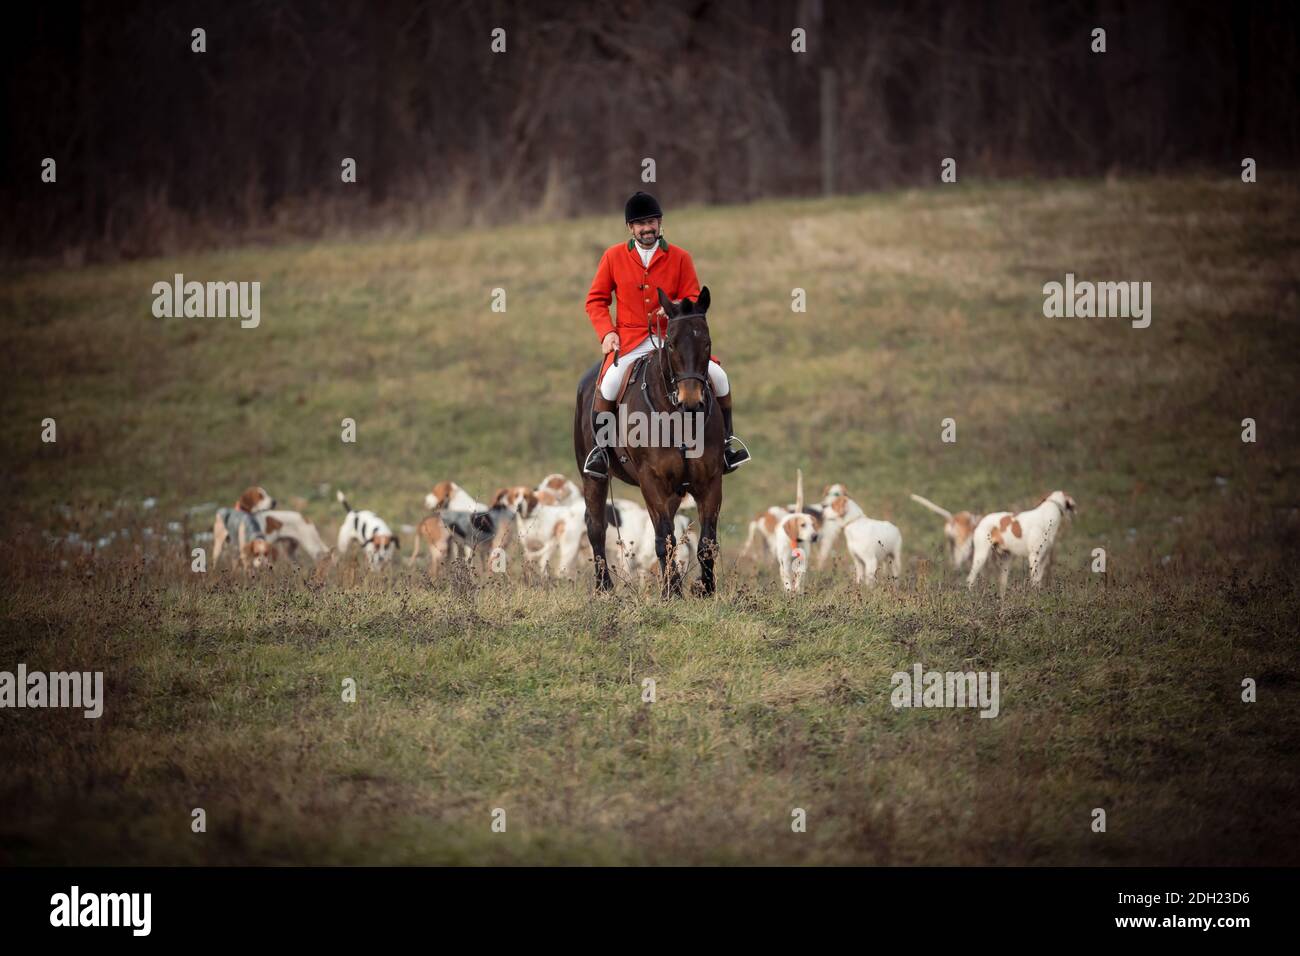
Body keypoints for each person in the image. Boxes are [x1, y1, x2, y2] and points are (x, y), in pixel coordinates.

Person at [582, 191, 748, 477]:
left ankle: (726, 444)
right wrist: (607, 333)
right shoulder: (613, 257)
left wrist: (675, 311)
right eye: (640, 223)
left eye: (652, 221)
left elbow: (693, 296)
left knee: (719, 376)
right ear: (630, 228)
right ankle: (600, 451)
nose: (647, 228)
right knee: (609, 384)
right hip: (630, 338)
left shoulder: (681, 257)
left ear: (660, 223)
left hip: (671, 338)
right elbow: (596, 300)